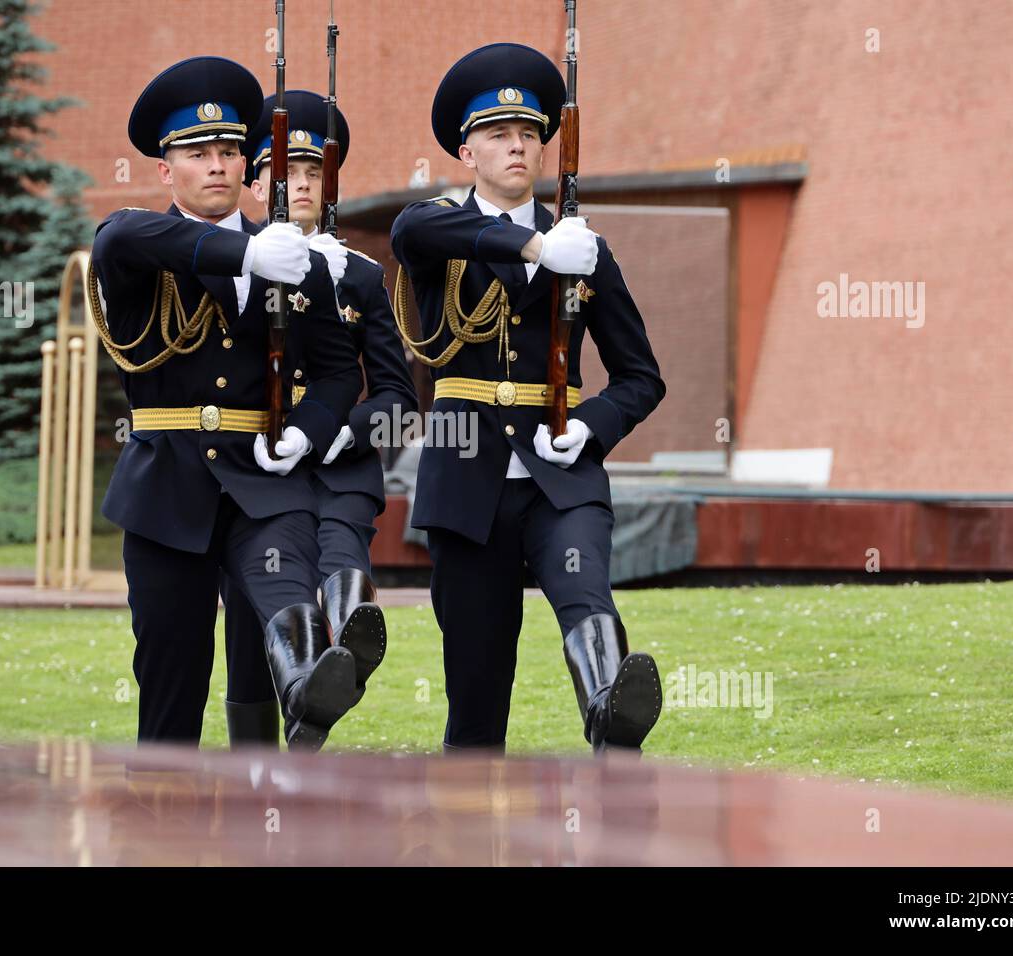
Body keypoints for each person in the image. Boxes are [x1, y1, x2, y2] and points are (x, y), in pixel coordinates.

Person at [88, 56, 380, 750]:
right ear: (166, 169)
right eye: (197, 153)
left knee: (283, 599)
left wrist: (307, 436)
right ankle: (161, 834)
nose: (217, 165)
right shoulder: (139, 242)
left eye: (228, 152)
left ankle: (308, 684)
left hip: (263, 480)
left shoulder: (291, 257)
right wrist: (246, 259)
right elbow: (121, 237)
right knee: (171, 688)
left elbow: (341, 376)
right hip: (166, 487)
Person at [390, 43, 667, 754]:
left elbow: (641, 375)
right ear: (467, 151)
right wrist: (536, 251)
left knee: (588, 603)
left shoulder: (586, 249)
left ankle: (612, 714)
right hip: (467, 481)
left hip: (559, 477)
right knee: (477, 697)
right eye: (497, 135)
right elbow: (409, 230)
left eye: (529, 135)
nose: (516, 147)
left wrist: (592, 427)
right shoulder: (441, 233)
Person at [216, 90, 418, 748]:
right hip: (255, 469)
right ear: (258, 180)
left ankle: (348, 634)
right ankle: (267, 753)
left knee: (338, 558)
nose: (299, 186)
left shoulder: (359, 275)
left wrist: (338, 434)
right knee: (251, 631)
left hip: (333, 468)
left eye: (312, 175)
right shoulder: (231, 258)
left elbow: (396, 399)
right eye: (284, 173)